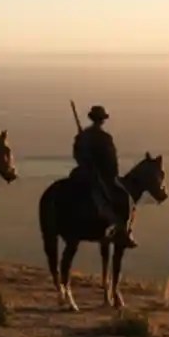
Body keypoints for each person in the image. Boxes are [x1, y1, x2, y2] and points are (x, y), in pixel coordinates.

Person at [72, 105, 136, 247]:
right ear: (102, 120)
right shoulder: (105, 137)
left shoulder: (82, 136)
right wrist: (113, 174)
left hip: (81, 172)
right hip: (99, 175)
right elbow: (111, 159)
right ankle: (122, 231)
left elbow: (76, 155)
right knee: (124, 197)